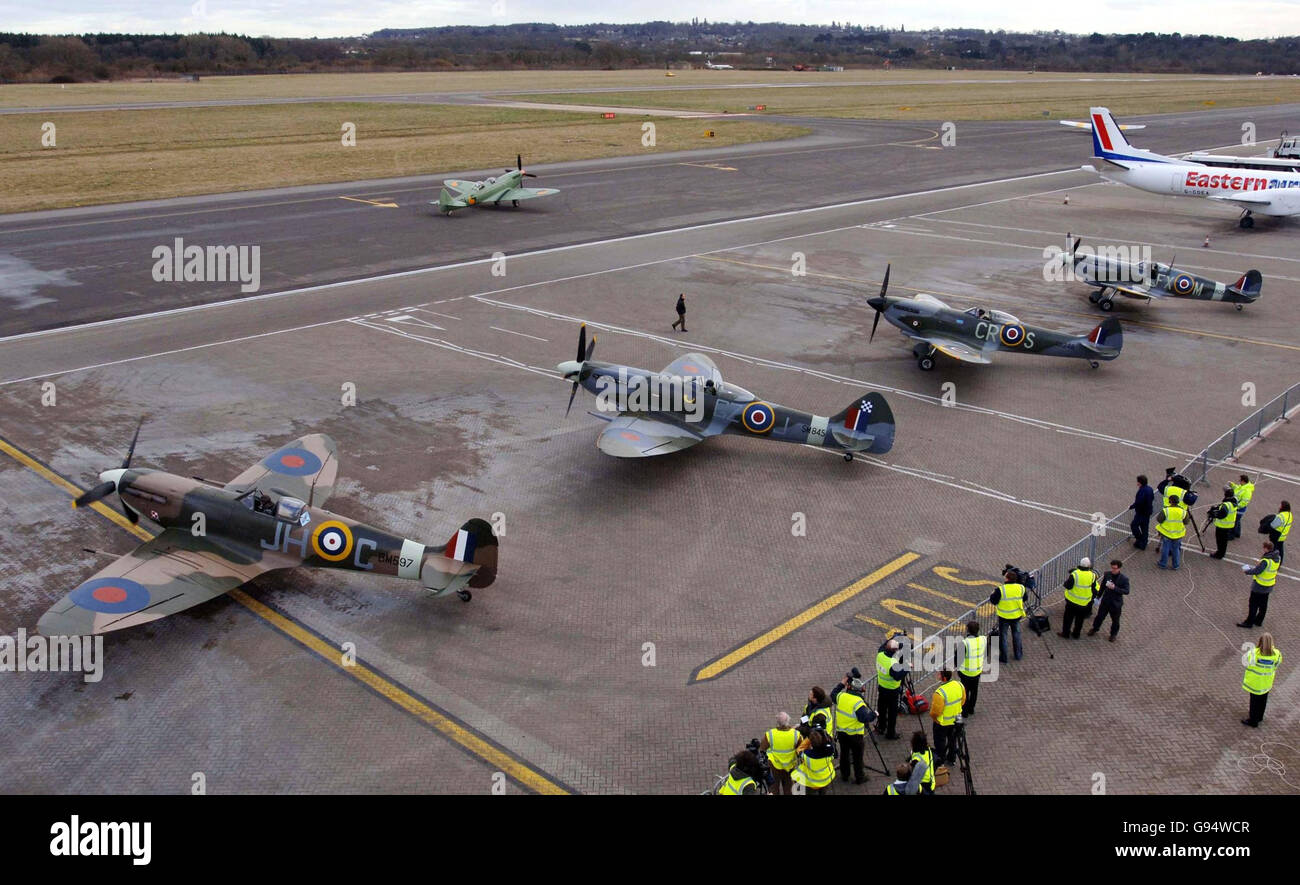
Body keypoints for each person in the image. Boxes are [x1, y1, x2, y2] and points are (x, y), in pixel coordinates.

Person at [831, 673, 877, 785]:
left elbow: (833, 693)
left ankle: (845, 775)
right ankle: (859, 777)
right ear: (859, 691)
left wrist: (843, 682)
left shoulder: (841, 696)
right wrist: (874, 714)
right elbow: (864, 718)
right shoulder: (858, 703)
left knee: (844, 754)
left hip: (842, 733)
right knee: (857, 757)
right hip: (855, 736)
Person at [1237, 541, 1281, 629]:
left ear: (1266, 548)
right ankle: (1259, 621)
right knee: (1263, 605)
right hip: (1269, 585)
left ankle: (1249, 622)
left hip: (1260, 585)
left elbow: (1258, 571)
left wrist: (1247, 571)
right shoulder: (1277, 558)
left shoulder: (1266, 561)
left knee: (1253, 604)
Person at [1241, 633, 1282, 728]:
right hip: (1266, 682)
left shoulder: (1254, 653)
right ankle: (1259, 717)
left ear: (1260, 641)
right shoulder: (1277, 654)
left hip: (1255, 683)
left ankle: (1253, 721)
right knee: (1263, 700)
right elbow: (1278, 663)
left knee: (1254, 702)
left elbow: (1245, 662)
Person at [929, 669, 965, 768]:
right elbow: (963, 700)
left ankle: (940, 759)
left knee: (940, 741)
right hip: (956, 719)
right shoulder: (959, 685)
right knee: (953, 740)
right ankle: (951, 759)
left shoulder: (939, 693)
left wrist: (934, 718)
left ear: (943, 678)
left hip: (942, 722)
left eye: (939, 674)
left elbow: (936, 712)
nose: (937, 675)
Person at [989, 568, 1027, 663]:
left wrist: (992, 594)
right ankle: (1018, 655)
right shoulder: (1021, 588)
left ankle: (1004, 658)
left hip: (1004, 617)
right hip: (1017, 615)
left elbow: (993, 601)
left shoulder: (1001, 590)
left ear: (1007, 579)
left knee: (1004, 637)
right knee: (1017, 635)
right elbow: (1025, 598)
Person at [792, 717, 836, 794]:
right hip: (825, 778)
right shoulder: (829, 751)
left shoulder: (807, 755)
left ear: (811, 743)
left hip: (812, 783)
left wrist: (809, 739)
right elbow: (834, 752)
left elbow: (799, 750)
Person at [1088, 560, 1130, 641]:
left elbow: (1126, 591)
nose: (1113, 570)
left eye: (1115, 568)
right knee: (1100, 616)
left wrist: (1115, 588)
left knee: (1115, 620)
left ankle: (1113, 634)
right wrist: (1098, 597)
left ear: (1119, 568)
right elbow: (1102, 586)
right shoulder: (1107, 574)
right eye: (1112, 568)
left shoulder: (1124, 579)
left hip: (1116, 603)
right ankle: (1095, 628)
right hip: (1105, 601)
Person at [874, 637, 907, 740]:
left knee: (882, 709)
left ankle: (881, 727)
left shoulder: (880, 655)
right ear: (895, 651)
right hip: (892, 691)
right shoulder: (892, 663)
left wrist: (893, 638)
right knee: (892, 713)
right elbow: (897, 676)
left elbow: (884, 646)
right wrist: (907, 667)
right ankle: (890, 733)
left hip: (882, 688)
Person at [759, 712, 799, 795]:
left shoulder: (770, 734)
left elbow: (762, 748)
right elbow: (801, 748)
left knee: (774, 787)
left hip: (774, 766)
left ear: (777, 722)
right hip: (789, 766)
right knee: (788, 787)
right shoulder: (796, 734)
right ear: (788, 721)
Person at [1060, 557, 1099, 639]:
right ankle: (1076, 634)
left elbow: (1068, 586)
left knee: (1068, 619)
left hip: (1071, 601)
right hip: (1084, 603)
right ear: (1089, 566)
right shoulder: (1092, 575)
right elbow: (1094, 588)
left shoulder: (1075, 574)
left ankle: (1065, 633)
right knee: (1080, 620)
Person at [957, 620, 986, 716]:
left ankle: (964, 712)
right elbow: (986, 653)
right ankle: (971, 709)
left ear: (968, 630)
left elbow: (958, 659)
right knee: (974, 691)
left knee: (965, 692)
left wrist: (957, 668)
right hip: (977, 671)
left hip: (965, 673)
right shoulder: (983, 639)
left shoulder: (965, 643)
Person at [1156, 492, 1189, 570]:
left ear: (1170, 501)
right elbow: (1186, 522)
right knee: (1176, 549)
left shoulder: (1166, 510)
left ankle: (1163, 563)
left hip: (1167, 533)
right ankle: (1176, 565)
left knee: (1165, 548)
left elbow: (1159, 519)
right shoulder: (1183, 511)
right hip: (1178, 534)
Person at [1209, 486, 1237, 559]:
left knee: (1220, 540)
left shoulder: (1226, 505)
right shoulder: (1234, 502)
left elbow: (1221, 515)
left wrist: (1213, 513)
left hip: (1222, 525)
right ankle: (1222, 552)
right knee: (1224, 541)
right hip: (1229, 525)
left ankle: (1219, 554)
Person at [1130, 474, 1155, 550]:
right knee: (1145, 528)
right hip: (1147, 512)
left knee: (1134, 525)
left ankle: (1140, 540)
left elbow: (1139, 502)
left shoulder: (1142, 491)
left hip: (1141, 512)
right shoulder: (1150, 489)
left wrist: (1132, 506)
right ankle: (1144, 543)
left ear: (1140, 482)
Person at [1230, 474, 1255, 539]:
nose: (1239, 481)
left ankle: (1231, 535)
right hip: (1238, 508)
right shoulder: (1243, 486)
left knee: (1234, 521)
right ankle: (1237, 533)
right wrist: (1233, 485)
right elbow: (1238, 488)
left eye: (1240, 480)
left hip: (1239, 508)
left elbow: (1244, 502)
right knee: (1237, 520)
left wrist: (1236, 506)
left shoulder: (1247, 490)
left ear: (1243, 481)